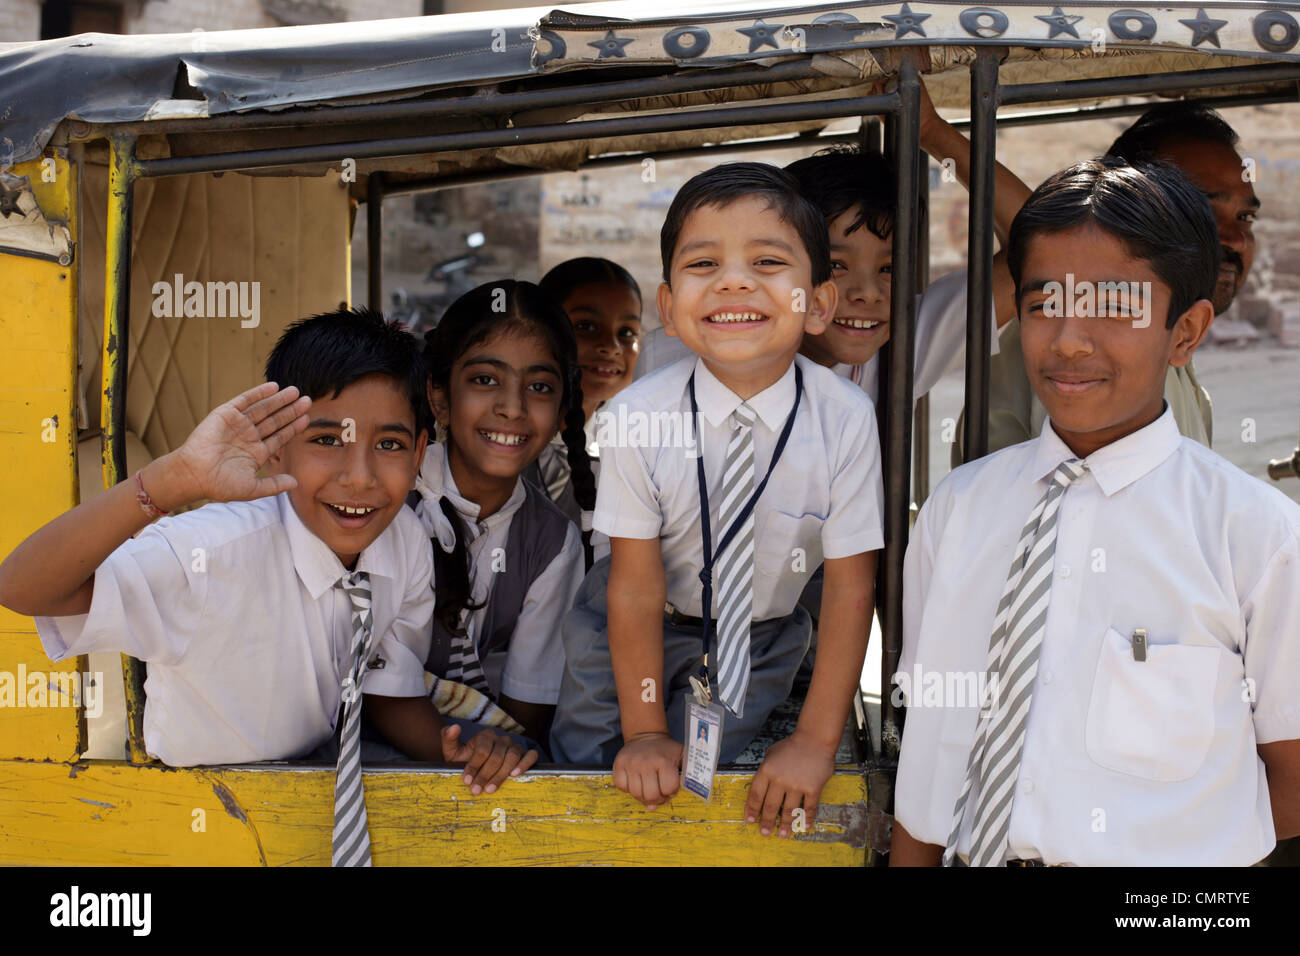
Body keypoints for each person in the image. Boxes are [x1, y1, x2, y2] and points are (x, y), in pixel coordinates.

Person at [891, 159, 1300, 866]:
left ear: (1185, 332)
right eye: (1045, 303)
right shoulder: (956, 511)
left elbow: (1287, 777)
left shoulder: (1255, 536)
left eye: (1113, 306)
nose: (1069, 340)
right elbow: (929, 759)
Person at [0, 308, 537, 786]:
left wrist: (455, 748)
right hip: (199, 802)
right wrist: (172, 481)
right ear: (276, 448)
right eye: (327, 440)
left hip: (315, 783)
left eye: (389, 444)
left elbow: (387, 689)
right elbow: (22, 588)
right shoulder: (212, 554)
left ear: (419, 453)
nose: (360, 477)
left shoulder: (404, 542)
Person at [550, 163, 883, 838]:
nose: (734, 281)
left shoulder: (845, 418)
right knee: (586, 771)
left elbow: (851, 589)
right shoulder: (637, 416)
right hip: (627, 621)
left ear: (819, 304)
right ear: (669, 308)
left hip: (757, 640)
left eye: (768, 261)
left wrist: (815, 743)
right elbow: (634, 585)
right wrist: (644, 731)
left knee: (703, 786)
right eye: (704, 263)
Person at [967, 101, 1261, 458]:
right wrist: (932, 132)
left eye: (1245, 217)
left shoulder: (1166, 356)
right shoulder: (1075, 363)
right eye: (1201, 212)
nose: (1235, 239)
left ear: (1188, 331)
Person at [408, 280, 589, 755]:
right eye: (485, 380)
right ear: (440, 397)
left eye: (539, 387)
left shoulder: (553, 542)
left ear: (562, 410)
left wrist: (496, 751)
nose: (512, 407)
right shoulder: (388, 500)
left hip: (472, 762)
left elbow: (522, 720)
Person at [530, 257, 642, 526]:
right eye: (586, 326)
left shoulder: (628, 441)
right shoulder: (509, 437)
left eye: (627, 332)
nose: (611, 346)